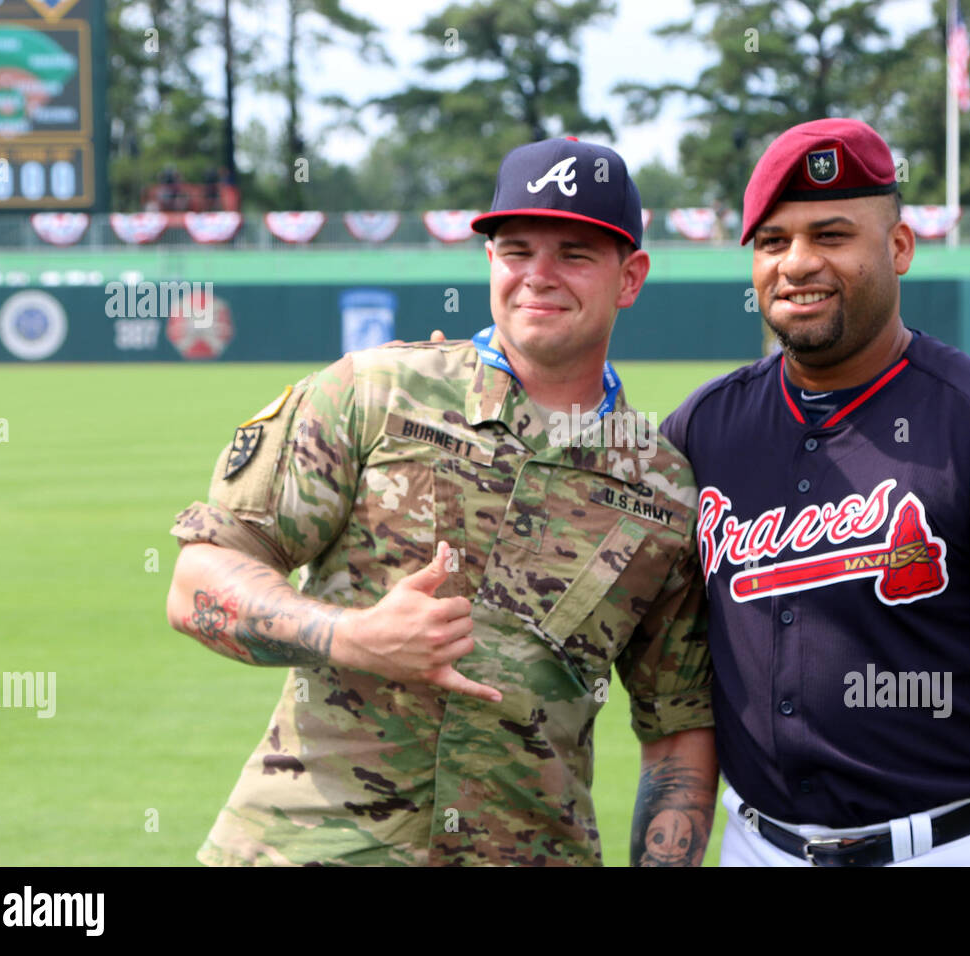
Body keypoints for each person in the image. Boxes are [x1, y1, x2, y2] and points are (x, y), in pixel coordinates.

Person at [165, 136, 717, 867]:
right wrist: (353, 636)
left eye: (574, 254)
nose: (539, 276)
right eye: (516, 249)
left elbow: (678, 726)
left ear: (631, 276)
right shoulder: (373, 392)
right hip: (310, 849)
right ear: (489, 260)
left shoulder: (662, 488)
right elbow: (199, 580)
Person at [662, 118, 970, 867]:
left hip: (958, 845)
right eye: (773, 242)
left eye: (832, 235)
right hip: (758, 846)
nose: (798, 264)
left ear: (900, 247)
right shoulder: (702, 431)